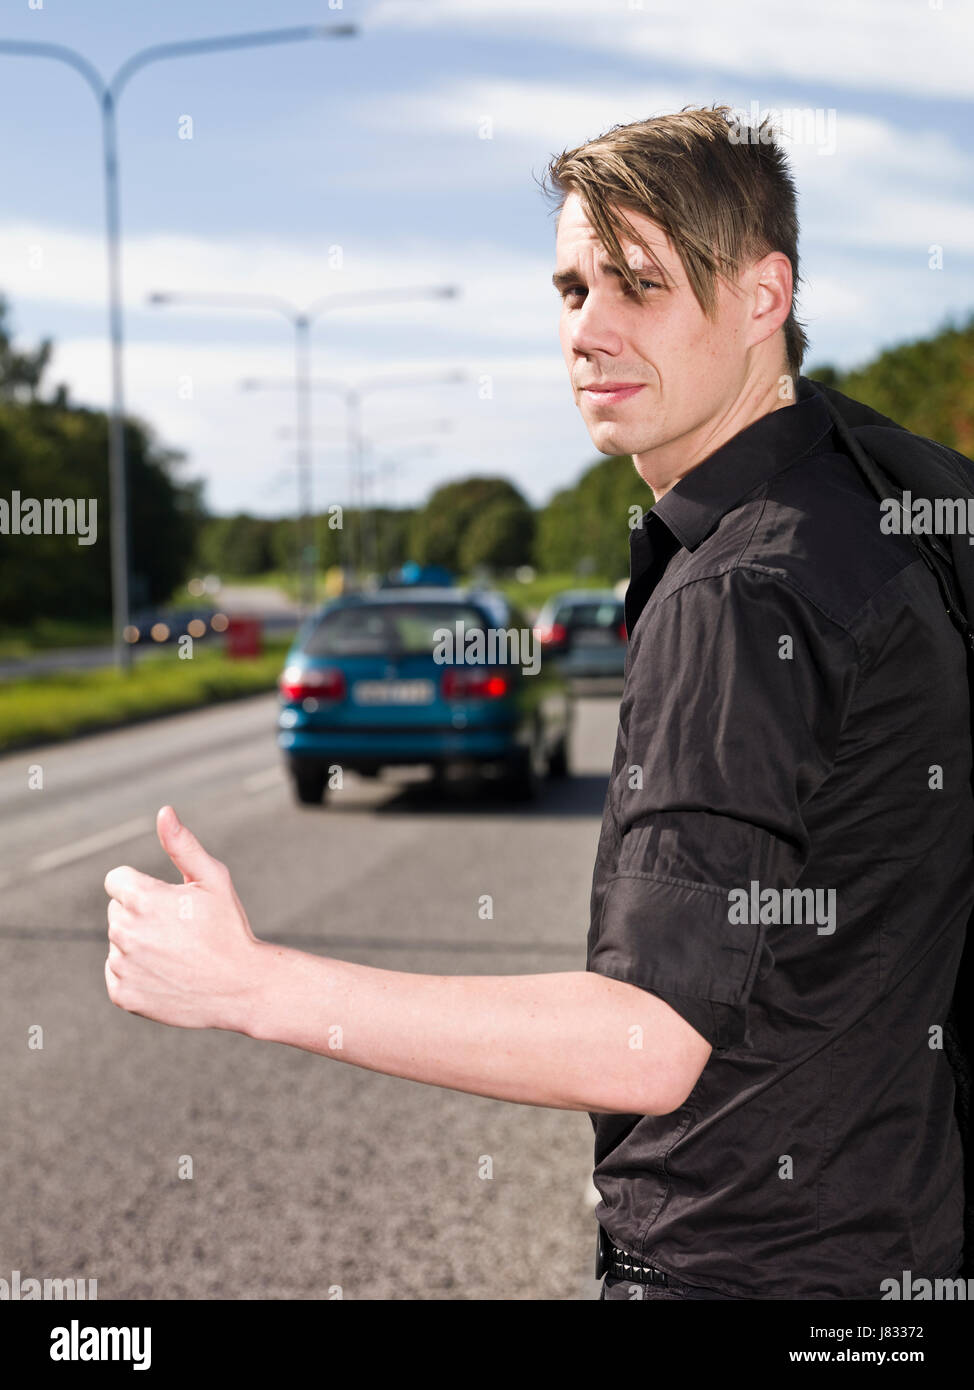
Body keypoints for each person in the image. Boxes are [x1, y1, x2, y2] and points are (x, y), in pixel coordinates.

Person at [103, 104, 974, 1301]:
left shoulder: (741, 591)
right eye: (570, 289)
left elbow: (645, 1040)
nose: (589, 330)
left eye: (640, 285)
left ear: (763, 298)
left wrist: (255, 987)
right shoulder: (881, 497)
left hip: (747, 1268)